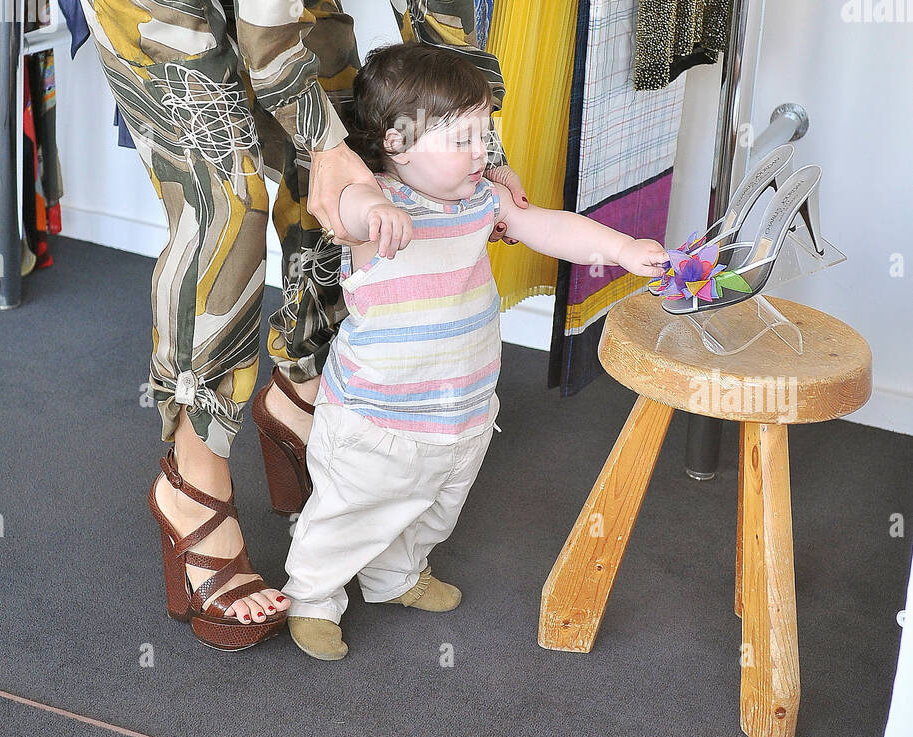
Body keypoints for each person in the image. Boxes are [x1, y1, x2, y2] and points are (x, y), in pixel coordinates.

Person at [62, 0, 672, 649]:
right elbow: (263, 7)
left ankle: (296, 393)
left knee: (358, 151)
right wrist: (322, 149)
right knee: (236, 195)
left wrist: (467, 152)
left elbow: (432, 4)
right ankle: (190, 478)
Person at [282, 42, 669, 659]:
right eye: (462, 139)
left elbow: (548, 225)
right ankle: (312, 597)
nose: (482, 151)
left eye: (483, 134)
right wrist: (375, 207)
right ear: (398, 143)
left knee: (432, 510)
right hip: (375, 417)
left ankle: (395, 577)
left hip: (459, 409)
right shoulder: (375, 199)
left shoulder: (480, 198)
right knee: (351, 510)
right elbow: (351, 207)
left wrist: (623, 251)